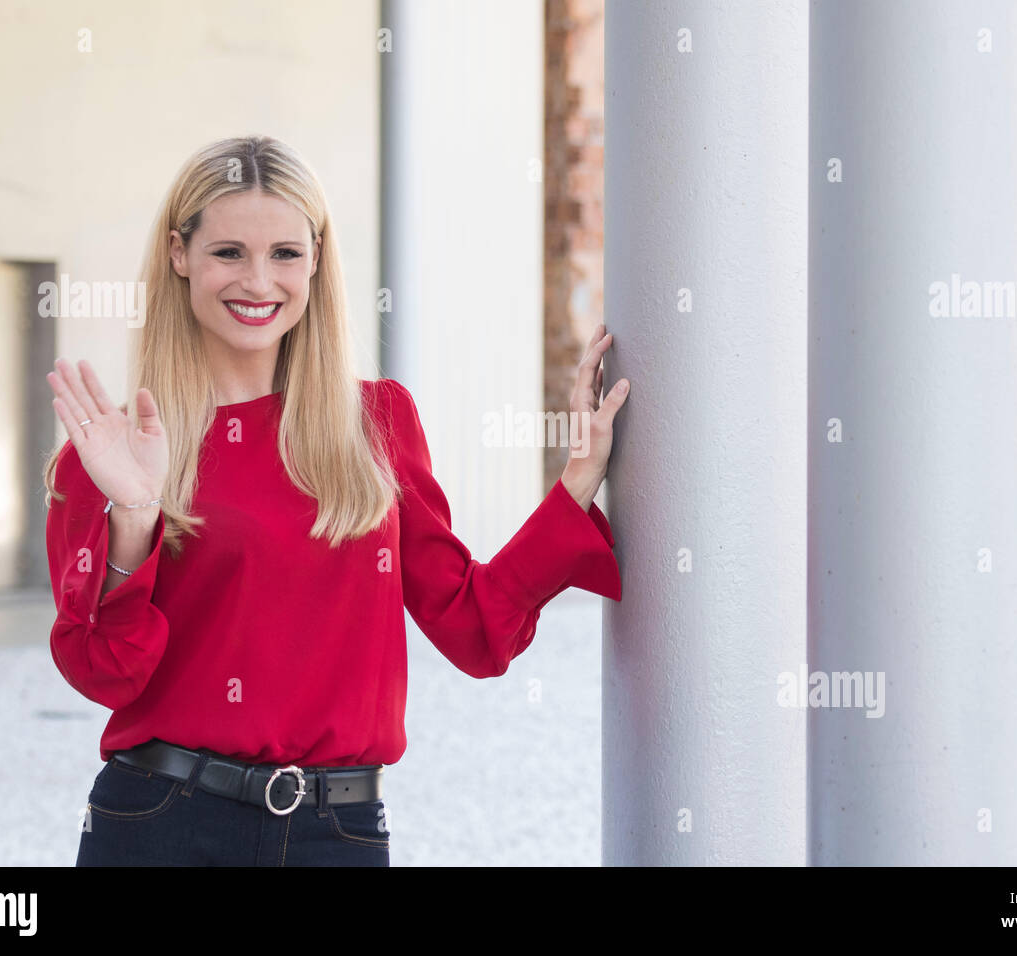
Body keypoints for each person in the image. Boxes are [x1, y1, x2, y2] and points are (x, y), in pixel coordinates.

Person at [42, 135, 631, 866]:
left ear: (317, 259)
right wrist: (134, 516)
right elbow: (104, 673)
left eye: (286, 253)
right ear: (178, 253)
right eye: (229, 252)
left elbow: (477, 631)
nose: (260, 281)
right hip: (163, 823)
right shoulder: (110, 452)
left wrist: (578, 478)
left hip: (338, 833)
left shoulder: (377, 425)